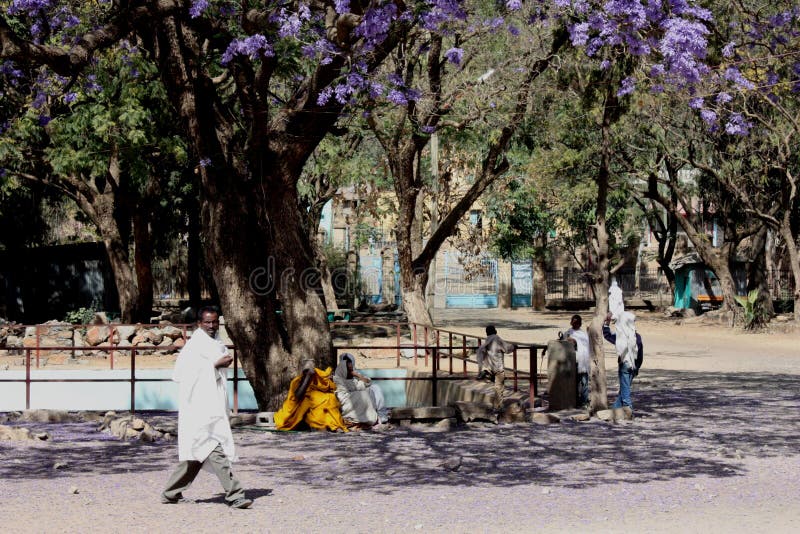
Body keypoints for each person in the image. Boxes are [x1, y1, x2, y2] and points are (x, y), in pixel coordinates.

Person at [162, 306, 252, 509]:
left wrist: (219, 364)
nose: (211, 326)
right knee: (214, 448)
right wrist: (213, 365)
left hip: (213, 405)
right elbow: (181, 374)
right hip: (198, 408)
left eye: (214, 322)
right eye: (207, 322)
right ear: (199, 324)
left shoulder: (216, 343)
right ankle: (235, 495)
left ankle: (170, 493)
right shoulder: (194, 347)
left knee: (196, 454)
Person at [274, 359, 348, 432]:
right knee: (311, 402)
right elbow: (297, 396)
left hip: (317, 401)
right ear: (303, 372)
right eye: (306, 371)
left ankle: (335, 425)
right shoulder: (296, 381)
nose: (310, 372)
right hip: (301, 405)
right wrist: (307, 377)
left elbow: (327, 387)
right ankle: (322, 426)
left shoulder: (317, 377)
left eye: (311, 370)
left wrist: (328, 379)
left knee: (329, 398)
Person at [332, 353, 389, 426]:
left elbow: (366, 383)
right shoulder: (338, 379)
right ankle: (368, 418)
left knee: (374, 388)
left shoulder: (352, 378)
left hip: (355, 399)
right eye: (348, 368)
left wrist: (357, 375)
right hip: (346, 404)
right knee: (364, 395)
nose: (350, 371)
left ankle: (378, 414)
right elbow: (341, 396)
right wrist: (358, 393)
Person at [603, 310, 643, 410]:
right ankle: (615, 409)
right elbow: (640, 354)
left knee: (625, 391)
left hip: (624, 365)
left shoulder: (620, 337)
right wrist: (637, 368)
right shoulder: (637, 337)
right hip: (633, 366)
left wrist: (606, 323)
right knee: (624, 389)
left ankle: (628, 410)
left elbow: (607, 335)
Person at [475, 325, 516, 411]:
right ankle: (498, 407)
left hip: (489, 366)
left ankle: (485, 373)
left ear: (487, 333)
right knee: (499, 388)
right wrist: (514, 346)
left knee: (495, 386)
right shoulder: (497, 339)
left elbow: (481, 351)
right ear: (495, 331)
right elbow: (507, 349)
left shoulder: (487, 340)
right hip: (498, 367)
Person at [565, 314, 590, 408]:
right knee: (573, 382)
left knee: (584, 382)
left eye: (577, 323)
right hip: (572, 362)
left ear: (580, 324)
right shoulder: (568, 333)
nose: (575, 324)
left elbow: (587, 346)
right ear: (571, 323)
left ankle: (584, 401)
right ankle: (574, 401)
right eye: (573, 322)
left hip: (582, 362)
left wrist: (575, 341)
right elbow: (563, 342)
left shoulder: (583, 334)